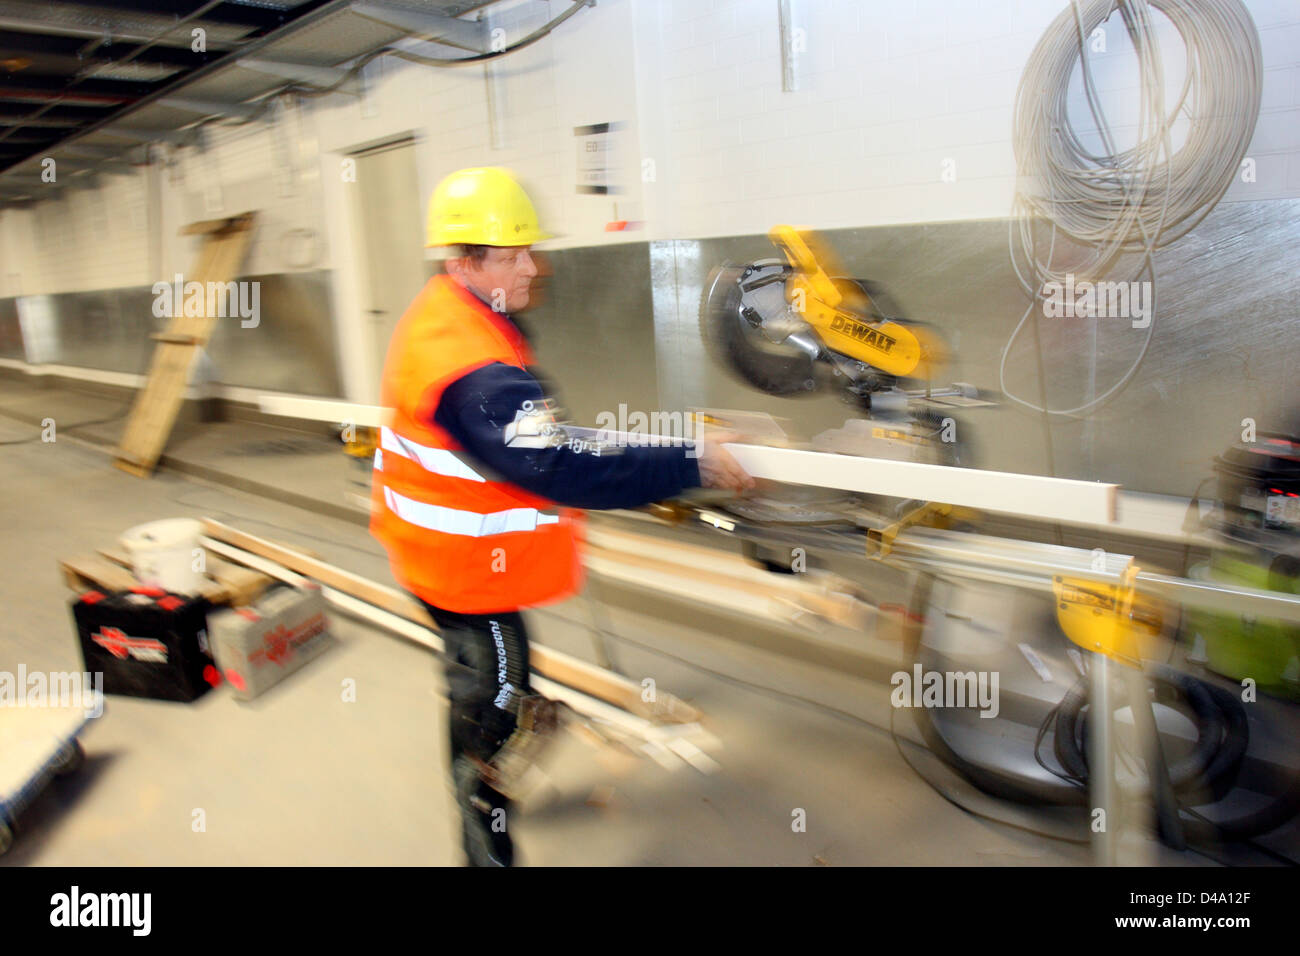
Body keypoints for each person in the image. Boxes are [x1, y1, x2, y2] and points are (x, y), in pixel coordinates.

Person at [369, 166, 753, 866]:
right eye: (512, 255)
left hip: (441, 557)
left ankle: (494, 749)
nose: (533, 267)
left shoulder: (461, 314)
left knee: (492, 679)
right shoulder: (467, 364)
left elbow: (546, 445)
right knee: (492, 689)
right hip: (459, 575)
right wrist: (690, 463)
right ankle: (484, 823)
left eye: (530, 250)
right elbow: (562, 463)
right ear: (462, 262)